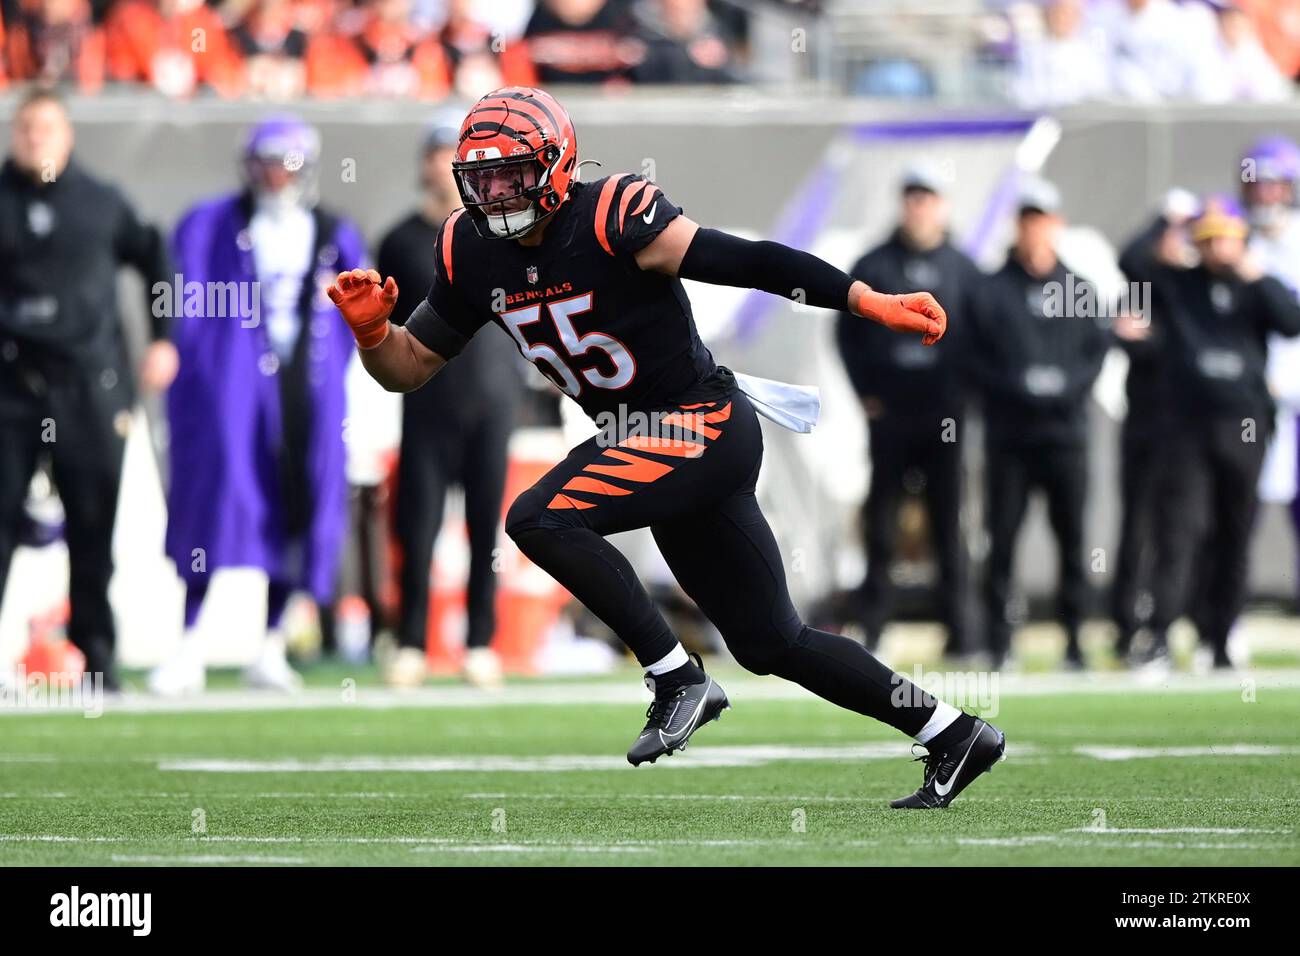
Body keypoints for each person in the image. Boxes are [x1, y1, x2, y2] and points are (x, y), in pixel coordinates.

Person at [328, 86, 1005, 809]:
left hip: (699, 422)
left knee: (538, 516)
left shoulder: (611, 215)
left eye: (512, 175)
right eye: (483, 179)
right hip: (647, 441)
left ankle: (676, 676)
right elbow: (408, 367)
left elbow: (748, 261)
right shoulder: (469, 250)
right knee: (771, 642)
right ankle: (952, 732)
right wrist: (372, 333)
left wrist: (863, 299)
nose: (496, 196)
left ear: (557, 165)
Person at [149, 116, 366, 695]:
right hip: (233, 386)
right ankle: (189, 643)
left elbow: (357, 317)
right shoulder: (212, 224)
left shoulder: (331, 232)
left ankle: (271, 643)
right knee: (217, 499)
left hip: (306, 385)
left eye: (285, 165)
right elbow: (186, 307)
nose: (275, 177)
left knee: (299, 501)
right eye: (265, 164)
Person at [0, 87, 175, 691]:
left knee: (93, 525)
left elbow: (157, 260)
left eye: (47, 127)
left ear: (67, 135)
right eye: (26, 127)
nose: (36, 138)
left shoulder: (101, 202)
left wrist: (163, 338)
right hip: (11, 386)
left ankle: (97, 656)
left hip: (89, 388)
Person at [376, 114, 523, 688]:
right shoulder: (400, 240)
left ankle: (480, 642)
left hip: (492, 396)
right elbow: (385, 329)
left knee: (488, 528)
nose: (442, 164)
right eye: (435, 152)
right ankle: (411, 642)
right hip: (428, 402)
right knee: (418, 529)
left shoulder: (499, 233)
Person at [1130, 197, 1300, 669]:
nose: (1219, 248)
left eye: (1227, 238)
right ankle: (1160, 635)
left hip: (1244, 426)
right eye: (1209, 239)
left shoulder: (1256, 285)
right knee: (1179, 531)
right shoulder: (1177, 283)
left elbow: (1292, 322)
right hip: (1188, 427)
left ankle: (1221, 637)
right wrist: (1168, 222)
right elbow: (1132, 265)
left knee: (1234, 533)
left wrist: (1258, 276)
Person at [835, 162, 981, 658]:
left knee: (948, 522)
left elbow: (981, 339)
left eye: (927, 197)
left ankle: (962, 631)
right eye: (912, 196)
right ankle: (873, 626)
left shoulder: (963, 270)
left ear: (942, 205)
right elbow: (848, 334)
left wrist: (965, 396)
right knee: (882, 522)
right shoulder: (875, 265)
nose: (919, 207)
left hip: (944, 417)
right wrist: (866, 392)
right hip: (891, 414)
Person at [966, 178, 1109, 670]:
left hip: (1066, 435)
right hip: (1010, 436)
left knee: (1072, 540)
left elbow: (1095, 354)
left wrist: (1061, 388)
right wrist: (1018, 387)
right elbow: (973, 356)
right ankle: (1000, 642)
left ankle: (1075, 641)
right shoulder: (990, 290)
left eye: (1042, 220)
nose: (1035, 229)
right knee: (1002, 539)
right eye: (1027, 220)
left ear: (1057, 224)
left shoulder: (1079, 289)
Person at [1112, 188, 1197, 664]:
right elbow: (1129, 258)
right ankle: (1126, 627)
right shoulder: (1146, 280)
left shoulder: (1196, 285)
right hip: (1145, 424)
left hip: (1188, 430)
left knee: (1179, 529)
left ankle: (1166, 625)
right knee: (1136, 527)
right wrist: (1163, 219)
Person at [1240, 137, 1300, 614]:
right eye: (1256, 185)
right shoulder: (1234, 242)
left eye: (1273, 186)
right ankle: (1225, 623)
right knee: (1241, 514)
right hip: (1252, 401)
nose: (1264, 195)